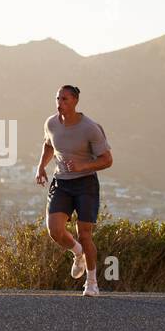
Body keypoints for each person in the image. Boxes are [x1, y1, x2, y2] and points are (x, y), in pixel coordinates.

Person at [35, 84, 113, 296]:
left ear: (75, 101)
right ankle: (77, 253)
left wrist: (82, 166)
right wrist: (41, 166)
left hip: (85, 184)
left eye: (65, 100)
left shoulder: (90, 128)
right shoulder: (51, 123)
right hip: (62, 183)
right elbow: (49, 145)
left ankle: (92, 282)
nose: (60, 103)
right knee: (55, 231)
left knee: (85, 234)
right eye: (58, 99)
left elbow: (107, 160)